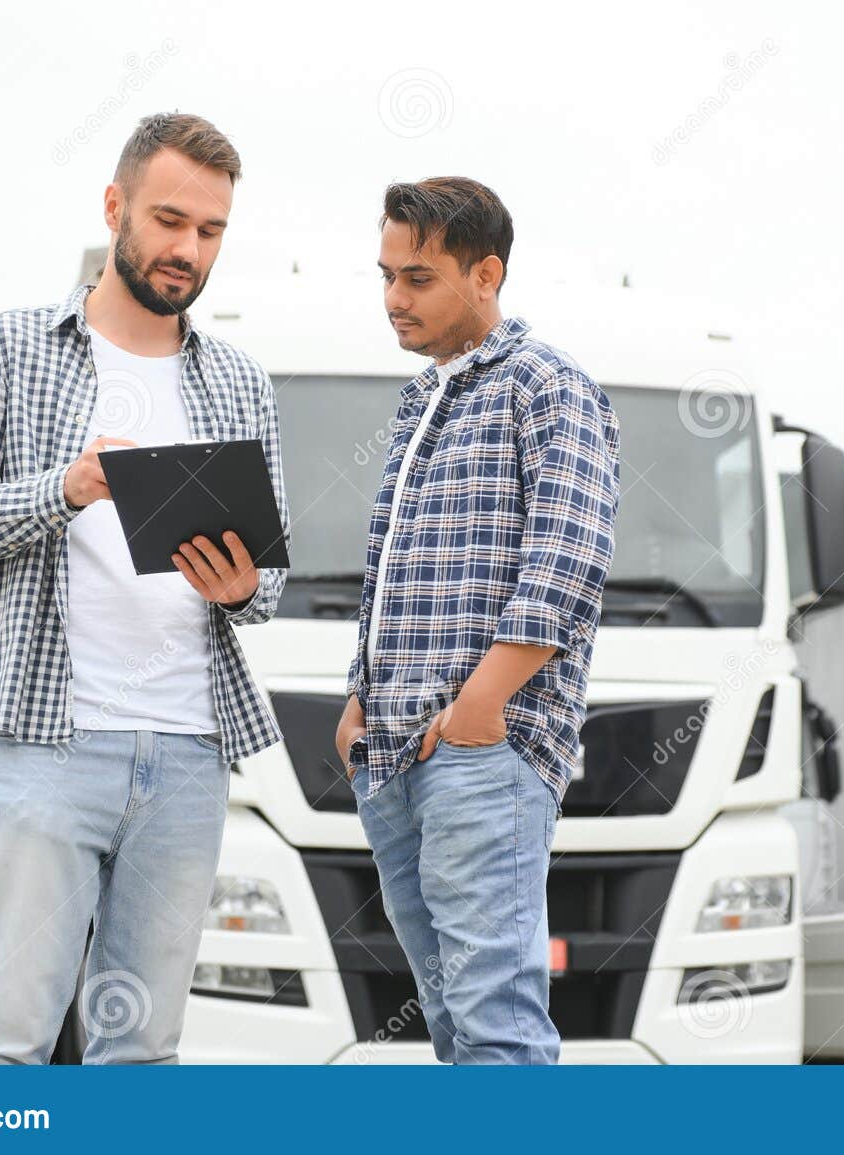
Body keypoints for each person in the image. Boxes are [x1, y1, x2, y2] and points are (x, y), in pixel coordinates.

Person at [0, 112, 289, 1064]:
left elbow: (269, 585)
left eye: (210, 231)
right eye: (169, 221)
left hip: (191, 751)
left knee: (145, 1051)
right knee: (8, 1041)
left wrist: (243, 585)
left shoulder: (242, 381)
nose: (187, 249)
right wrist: (65, 488)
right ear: (115, 206)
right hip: (46, 744)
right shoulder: (5, 348)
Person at [334, 177, 619, 1064]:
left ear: (485, 273)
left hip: (481, 755)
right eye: (385, 275)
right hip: (390, 749)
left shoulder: (548, 386)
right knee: (451, 1020)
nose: (392, 298)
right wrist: (358, 699)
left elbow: (567, 560)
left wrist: (481, 709)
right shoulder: (420, 399)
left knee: (495, 1016)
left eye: (417, 278)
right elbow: (391, 563)